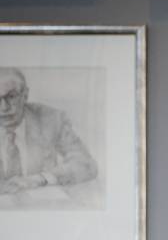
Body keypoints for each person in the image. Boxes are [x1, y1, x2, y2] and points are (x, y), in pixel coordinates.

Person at [0, 67, 98, 196]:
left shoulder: (51, 119)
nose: (3, 107)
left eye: (11, 96)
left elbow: (86, 164)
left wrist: (40, 179)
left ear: (25, 95)